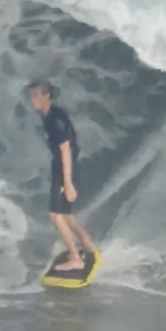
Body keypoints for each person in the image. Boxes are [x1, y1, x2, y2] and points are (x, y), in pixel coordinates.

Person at [27, 78, 99, 271]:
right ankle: (88, 245)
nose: (32, 99)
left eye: (36, 95)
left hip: (65, 168)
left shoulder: (53, 120)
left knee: (55, 215)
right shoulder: (51, 114)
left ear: (46, 95)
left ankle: (76, 258)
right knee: (66, 214)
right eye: (31, 95)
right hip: (63, 166)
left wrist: (67, 183)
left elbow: (65, 149)